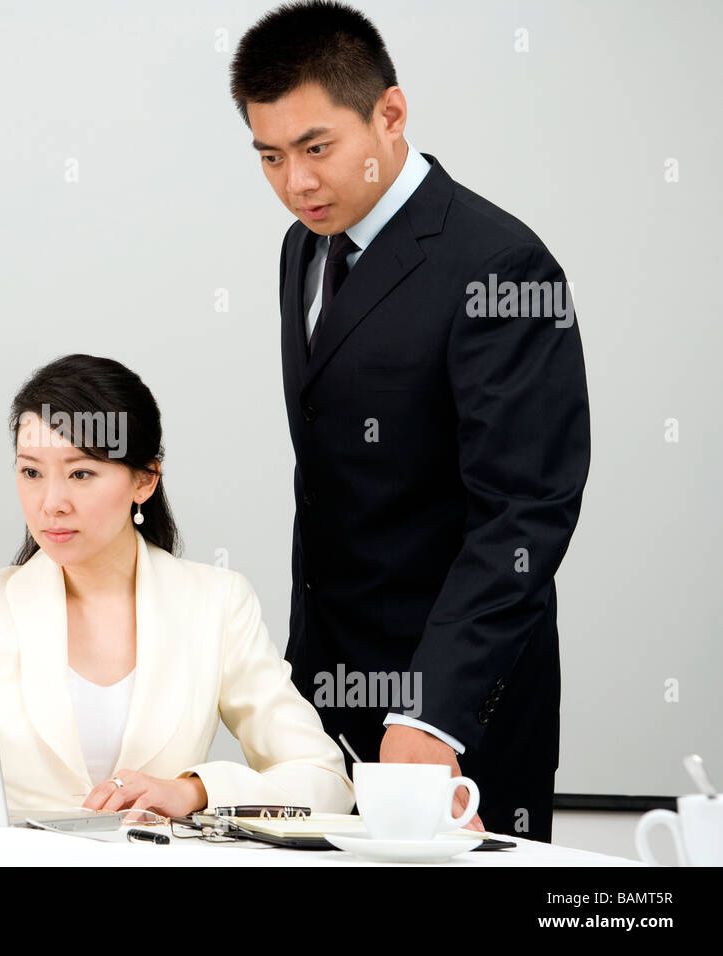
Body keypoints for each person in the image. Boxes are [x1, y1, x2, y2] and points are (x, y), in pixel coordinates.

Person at [229, 1, 591, 841]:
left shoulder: (501, 264)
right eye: (270, 157)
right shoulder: (306, 244)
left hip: (459, 702)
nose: (297, 184)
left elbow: (524, 512)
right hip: (323, 688)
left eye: (317, 148)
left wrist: (434, 712)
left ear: (390, 113)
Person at [0, 353, 355, 817]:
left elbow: (324, 778)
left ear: (145, 480)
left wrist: (195, 791)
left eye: (81, 473)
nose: (51, 503)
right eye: (31, 471)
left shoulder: (215, 603)